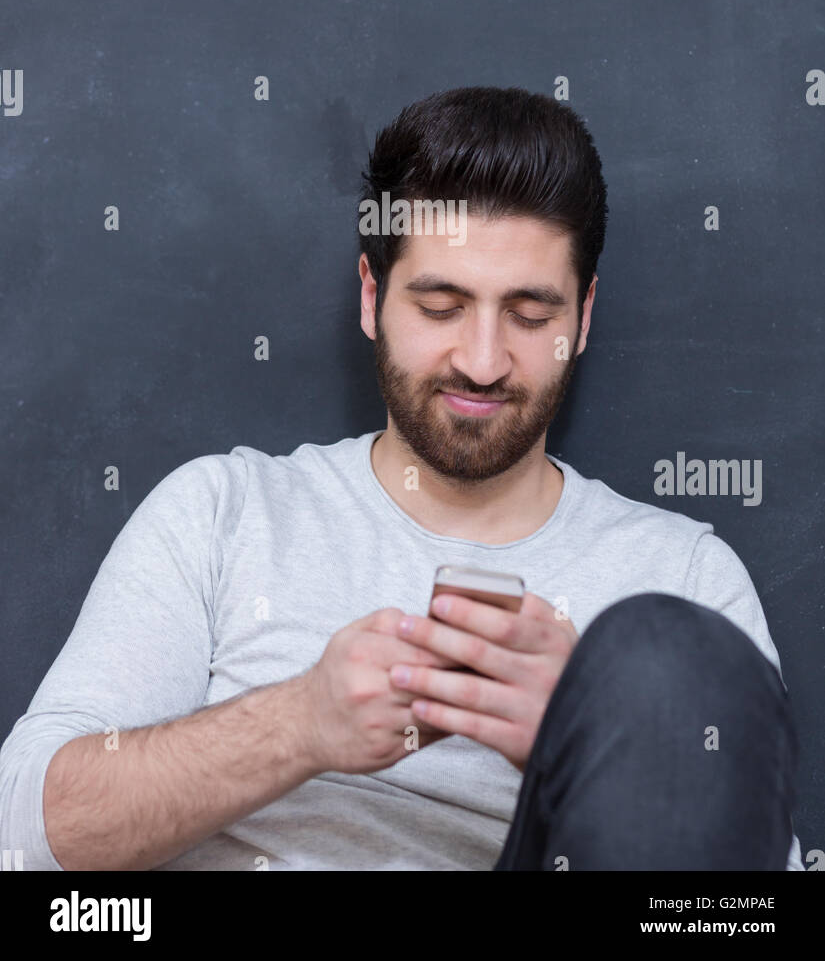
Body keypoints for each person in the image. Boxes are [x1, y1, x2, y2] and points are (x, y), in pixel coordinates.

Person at [0, 86, 802, 871]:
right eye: (441, 306)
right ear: (371, 296)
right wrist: (299, 723)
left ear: (582, 317)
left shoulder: (685, 577)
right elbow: (24, 840)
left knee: (656, 657)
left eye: (529, 315)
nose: (482, 362)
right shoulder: (222, 513)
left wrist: (595, 748)